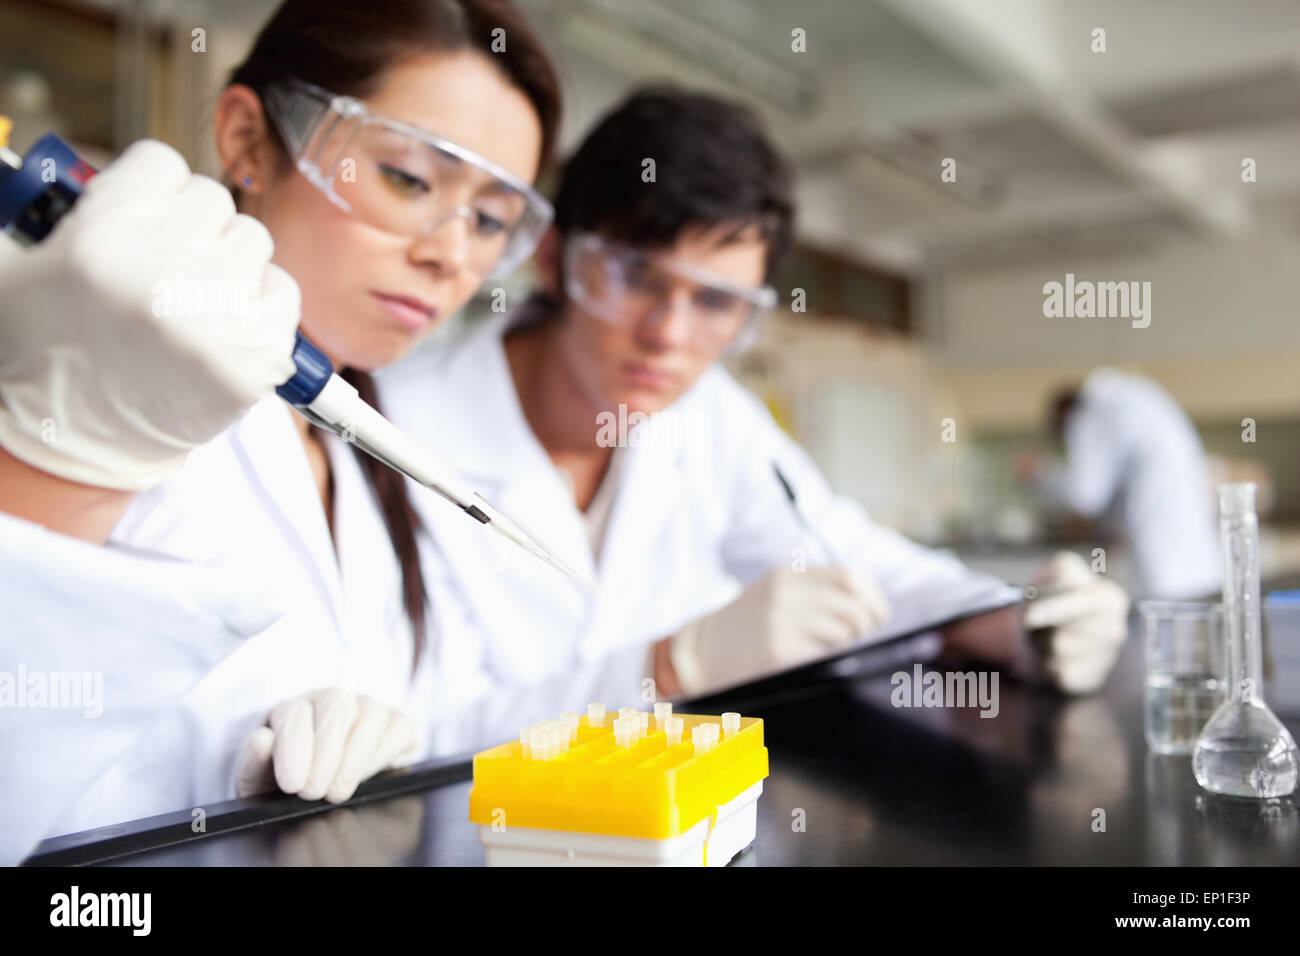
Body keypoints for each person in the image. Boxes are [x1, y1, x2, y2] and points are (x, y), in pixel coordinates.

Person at [378, 88, 1132, 751]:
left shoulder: (708, 414)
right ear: (553, 259)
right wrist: (670, 667)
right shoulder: (394, 422)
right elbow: (415, 730)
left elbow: (849, 559)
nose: (669, 335)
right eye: (637, 276)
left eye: (715, 302)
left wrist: (1019, 625)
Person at [0, 0, 561, 861]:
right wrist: (59, 474)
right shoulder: (69, 375)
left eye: (489, 221)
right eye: (410, 178)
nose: (452, 255)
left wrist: (383, 748)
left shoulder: (361, 453)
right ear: (248, 140)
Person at [1024, 369, 1221, 600]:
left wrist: (1041, 472)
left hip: (1159, 550)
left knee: (1158, 622)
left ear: (1065, 415)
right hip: (1190, 546)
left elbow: (1086, 495)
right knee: (1183, 621)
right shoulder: (1138, 398)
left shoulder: (1091, 413)